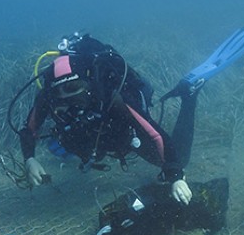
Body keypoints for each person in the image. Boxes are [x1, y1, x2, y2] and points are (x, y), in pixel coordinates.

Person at [16, 33, 207, 203]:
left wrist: (176, 176)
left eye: (75, 88)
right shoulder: (48, 97)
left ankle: (188, 95)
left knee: (179, 160)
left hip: (121, 135)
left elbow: (156, 135)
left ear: (89, 82)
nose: (67, 96)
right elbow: (29, 129)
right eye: (61, 90)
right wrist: (29, 159)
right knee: (69, 144)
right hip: (92, 140)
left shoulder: (111, 98)